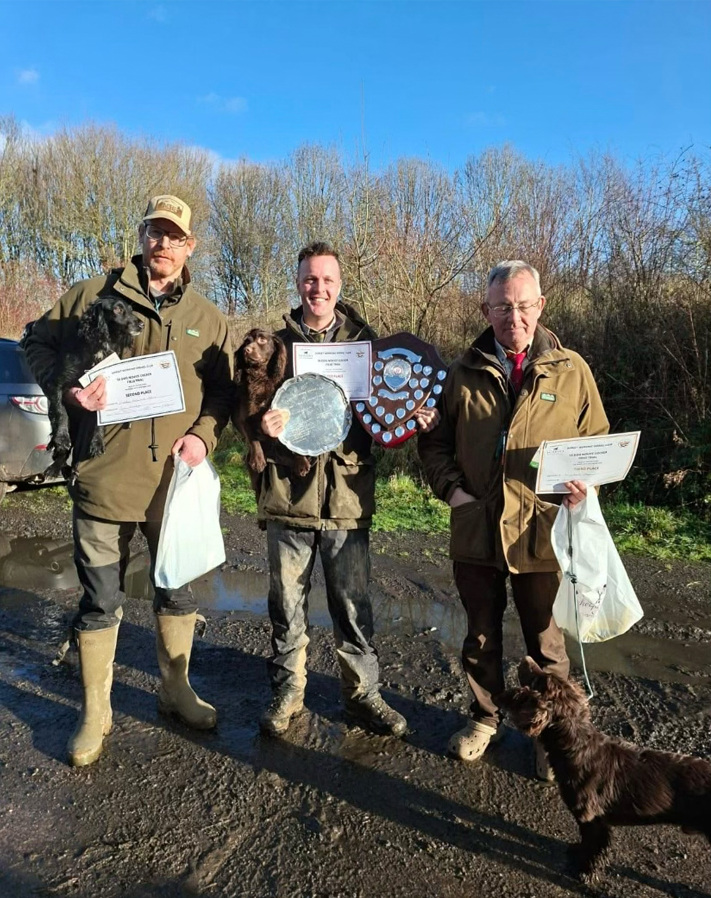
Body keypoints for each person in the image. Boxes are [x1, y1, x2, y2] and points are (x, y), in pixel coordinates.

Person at [24, 195, 233, 767]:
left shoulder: (208, 318)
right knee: (101, 600)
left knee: (177, 589)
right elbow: (35, 343)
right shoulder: (95, 295)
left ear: (190, 246)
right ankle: (96, 709)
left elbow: (224, 393)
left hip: (175, 484)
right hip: (103, 477)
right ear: (141, 237)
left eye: (173, 235)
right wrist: (66, 390)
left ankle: (175, 689)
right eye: (153, 233)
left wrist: (204, 437)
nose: (162, 244)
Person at [418, 260, 609, 779]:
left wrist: (583, 488)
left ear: (540, 306)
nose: (514, 316)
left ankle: (552, 738)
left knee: (546, 643)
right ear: (486, 310)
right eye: (503, 306)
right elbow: (433, 442)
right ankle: (484, 719)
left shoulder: (572, 370)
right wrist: (453, 492)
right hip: (476, 529)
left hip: (542, 531)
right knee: (480, 637)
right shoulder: (461, 372)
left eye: (524, 305)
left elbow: (596, 440)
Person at [256, 241, 438, 738]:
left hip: (348, 496)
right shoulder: (273, 346)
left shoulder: (371, 347)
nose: (318, 288)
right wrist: (261, 425)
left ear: (340, 285)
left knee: (353, 604)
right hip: (287, 495)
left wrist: (415, 416)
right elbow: (245, 411)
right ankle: (289, 692)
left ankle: (362, 695)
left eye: (327, 279)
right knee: (286, 604)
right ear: (297, 283)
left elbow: (388, 415)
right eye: (310, 279)